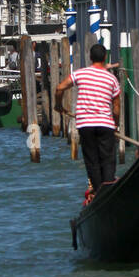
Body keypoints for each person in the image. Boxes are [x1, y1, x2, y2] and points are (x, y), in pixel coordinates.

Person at [56, 42, 120, 194]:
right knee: (108, 159)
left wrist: (58, 105)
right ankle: (108, 188)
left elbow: (59, 88)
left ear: (90, 58)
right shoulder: (111, 79)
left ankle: (98, 192)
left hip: (85, 124)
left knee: (92, 160)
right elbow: (116, 107)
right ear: (105, 58)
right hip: (105, 124)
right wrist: (115, 124)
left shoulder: (80, 74)